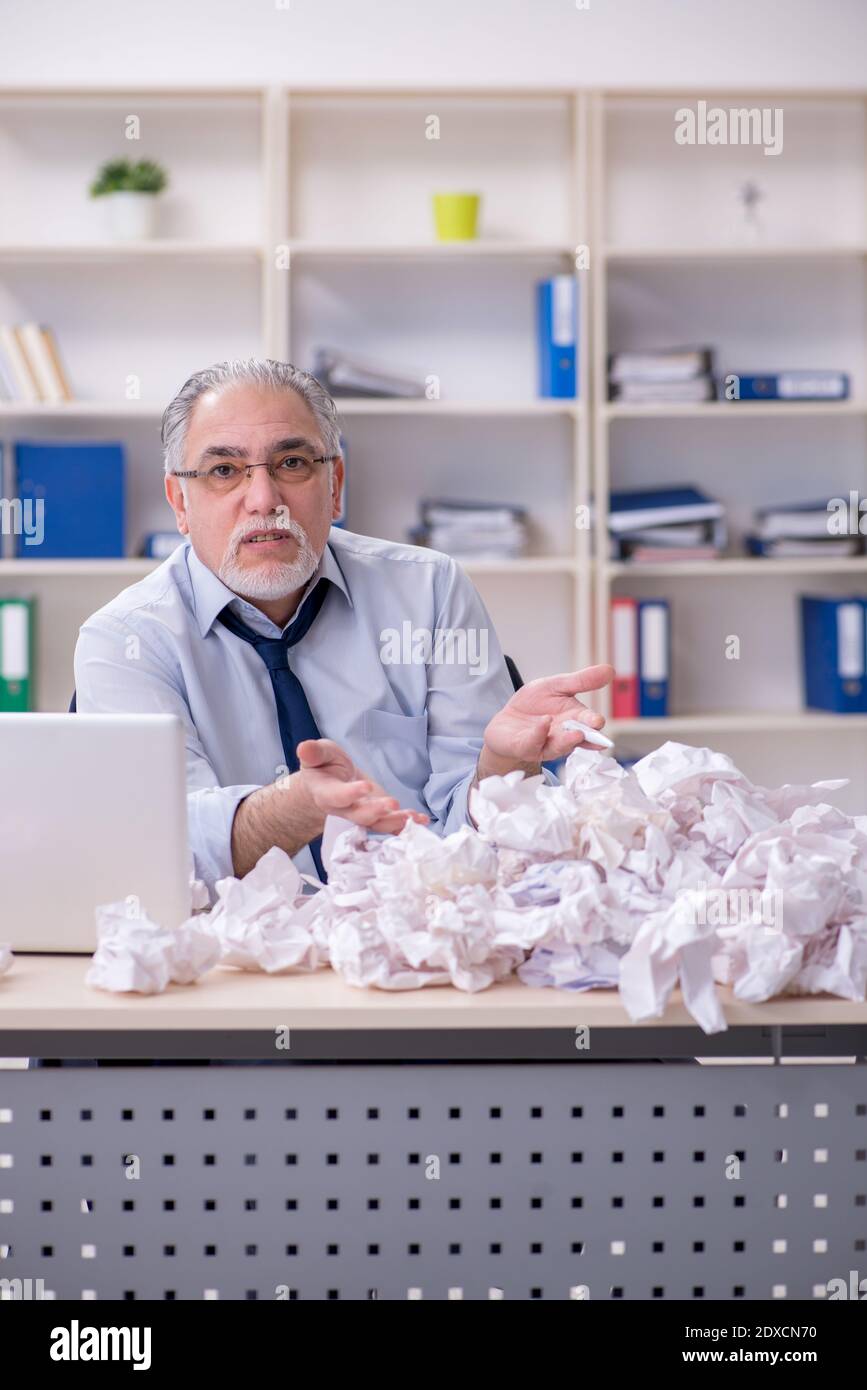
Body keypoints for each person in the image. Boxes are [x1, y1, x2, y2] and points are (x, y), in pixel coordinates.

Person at [74, 358, 614, 900]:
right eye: (223, 471)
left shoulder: (429, 591)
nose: (264, 500)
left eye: (291, 463)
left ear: (334, 485)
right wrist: (296, 808)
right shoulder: (124, 641)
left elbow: (476, 850)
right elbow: (164, 852)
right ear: (179, 502)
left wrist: (503, 765)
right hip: (233, 963)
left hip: (415, 936)